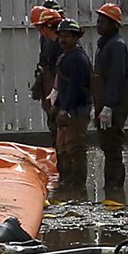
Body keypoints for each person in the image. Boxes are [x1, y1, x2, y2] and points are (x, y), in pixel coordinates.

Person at [46, 15, 93, 203]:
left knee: (75, 149)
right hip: (67, 110)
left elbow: (75, 87)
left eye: (67, 36)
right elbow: (64, 87)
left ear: (76, 37)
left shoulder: (78, 59)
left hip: (77, 111)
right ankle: (67, 184)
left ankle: (78, 188)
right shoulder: (66, 57)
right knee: (63, 148)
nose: (63, 39)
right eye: (61, 36)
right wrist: (57, 106)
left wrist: (65, 109)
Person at [90, 1, 128, 206]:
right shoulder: (106, 45)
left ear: (114, 24)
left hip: (113, 107)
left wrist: (109, 106)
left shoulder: (116, 46)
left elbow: (116, 79)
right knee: (107, 146)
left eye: (102, 21)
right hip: (104, 105)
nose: (98, 24)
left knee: (113, 147)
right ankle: (111, 187)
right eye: (98, 20)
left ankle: (115, 189)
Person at [27, 3, 66, 132]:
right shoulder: (47, 39)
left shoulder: (64, 41)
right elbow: (44, 60)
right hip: (50, 82)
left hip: (60, 86)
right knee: (53, 121)